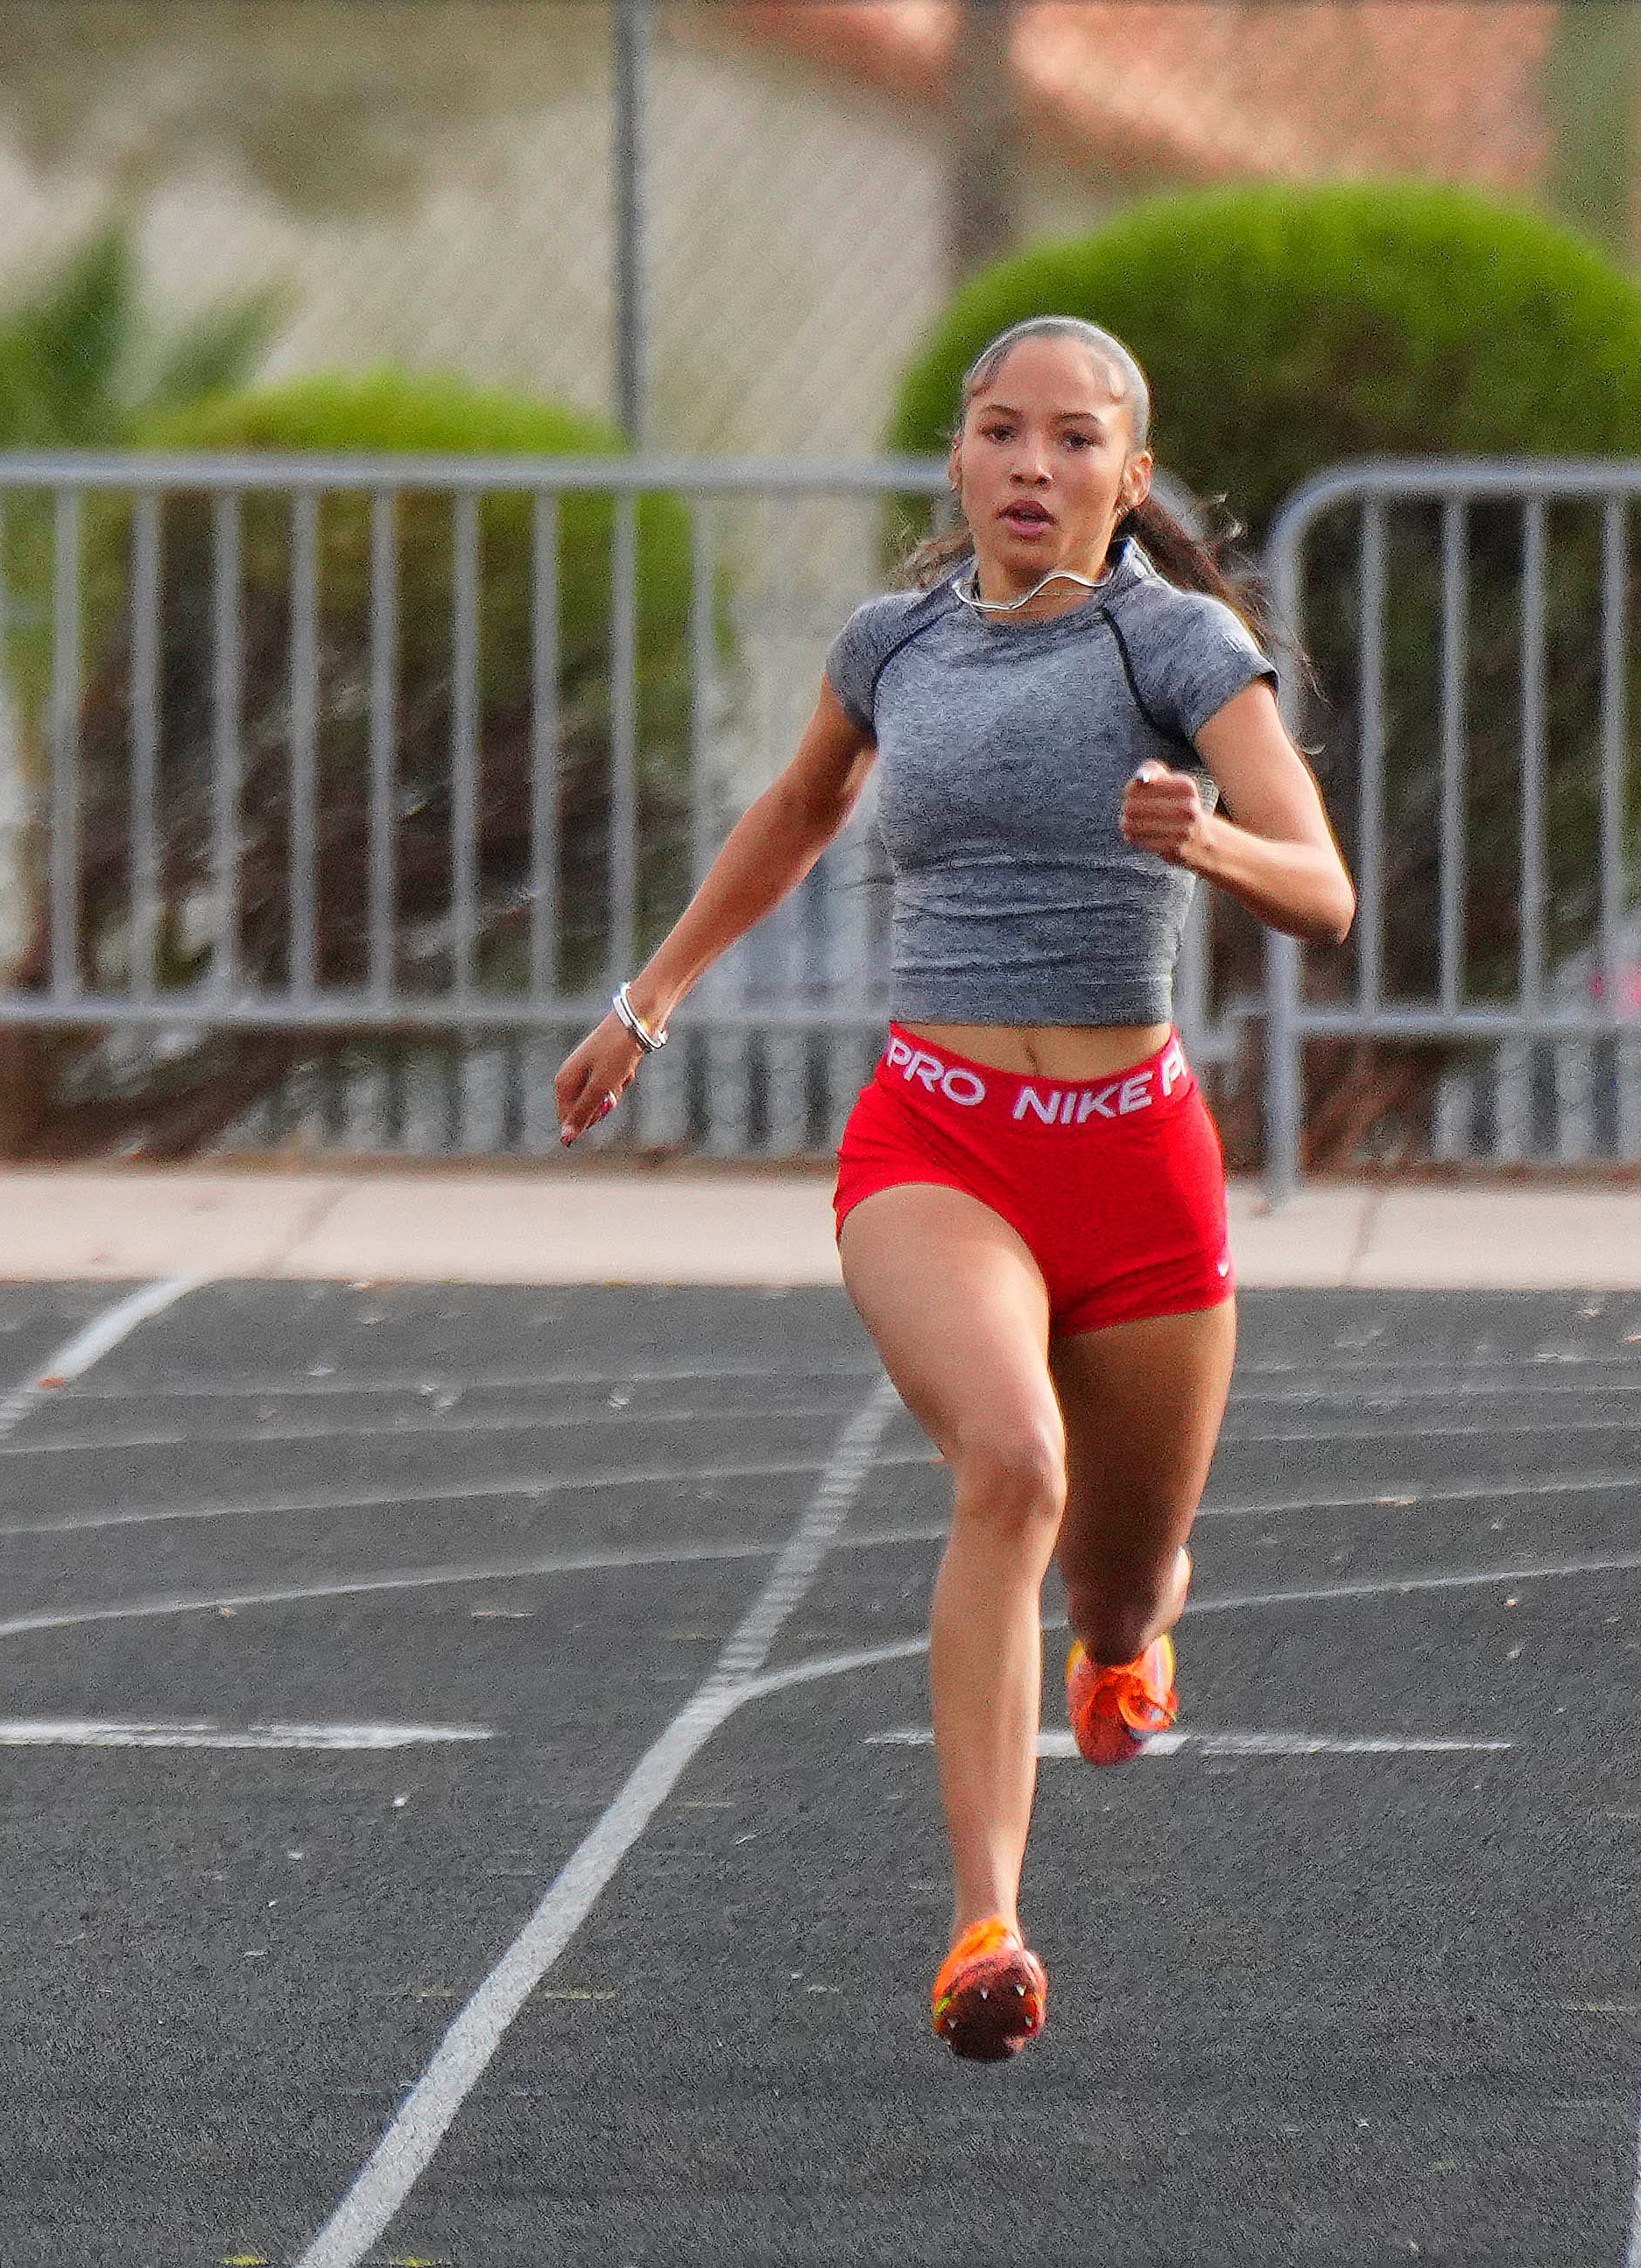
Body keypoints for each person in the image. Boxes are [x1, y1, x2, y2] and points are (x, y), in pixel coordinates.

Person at [553, 315, 1354, 2061]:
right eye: (1000, 431)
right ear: (955, 458)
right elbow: (789, 806)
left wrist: (1199, 835)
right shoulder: (889, 643)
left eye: (1073, 441)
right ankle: (984, 1921)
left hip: (1136, 1159)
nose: (1029, 466)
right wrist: (646, 999)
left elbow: (1320, 887)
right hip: (939, 1140)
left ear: (1124, 480)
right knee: (1007, 1464)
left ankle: (1122, 1636)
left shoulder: (1177, 644)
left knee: (1119, 1592)